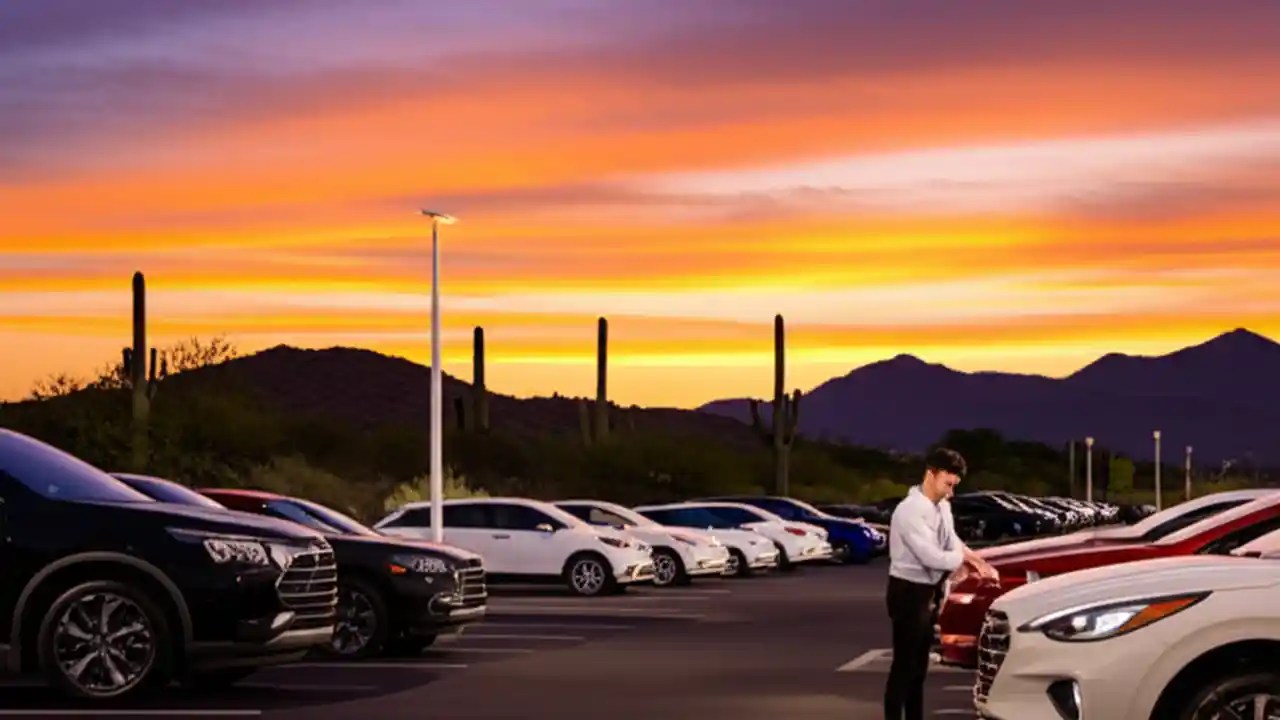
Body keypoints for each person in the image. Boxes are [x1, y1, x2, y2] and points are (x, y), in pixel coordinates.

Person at [883, 447, 997, 720]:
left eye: (955, 486)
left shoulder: (942, 506)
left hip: (929, 592)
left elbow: (952, 541)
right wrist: (960, 562)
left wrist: (977, 560)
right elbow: (930, 555)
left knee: (919, 668)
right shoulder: (909, 511)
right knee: (904, 666)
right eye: (948, 484)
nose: (951, 492)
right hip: (907, 591)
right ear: (930, 474)